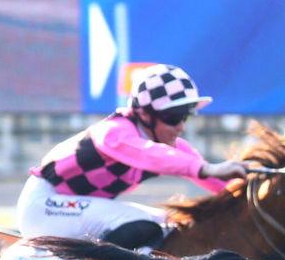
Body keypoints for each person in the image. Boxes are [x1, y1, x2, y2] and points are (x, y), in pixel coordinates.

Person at [15, 64, 249, 249]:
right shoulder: (114, 132)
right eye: (173, 117)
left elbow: (219, 183)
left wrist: (254, 189)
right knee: (142, 226)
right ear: (146, 115)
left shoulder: (169, 147)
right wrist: (206, 168)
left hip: (77, 208)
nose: (180, 127)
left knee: (172, 226)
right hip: (44, 207)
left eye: (185, 117)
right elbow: (151, 155)